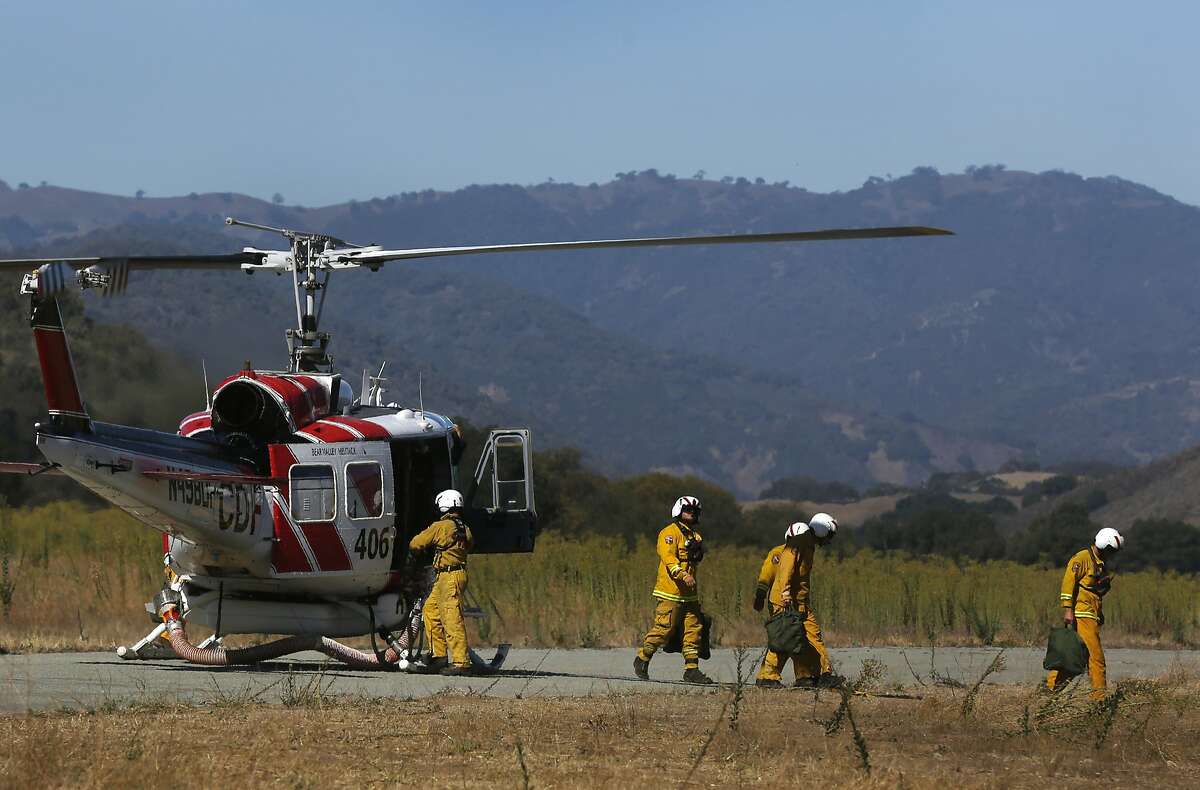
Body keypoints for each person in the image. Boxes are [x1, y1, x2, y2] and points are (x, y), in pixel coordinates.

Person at [633, 495, 713, 684]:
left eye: (694, 511)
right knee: (664, 628)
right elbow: (668, 558)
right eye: (687, 510)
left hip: (690, 595)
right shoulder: (668, 533)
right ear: (678, 511)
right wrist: (682, 574)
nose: (691, 513)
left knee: (694, 630)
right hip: (671, 591)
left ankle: (691, 670)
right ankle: (642, 658)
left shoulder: (696, 536)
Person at [756, 513, 840, 689]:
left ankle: (818, 675)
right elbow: (786, 568)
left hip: (800, 603)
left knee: (812, 637)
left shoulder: (809, 545)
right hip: (785, 601)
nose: (829, 540)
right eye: (829, 534)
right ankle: (767, 677)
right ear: (823, 529)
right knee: (784, 639)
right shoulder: (798, 543)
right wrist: (785, 592)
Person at [1046, 527, 1124, 699]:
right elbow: (1068, 582)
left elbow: (1094, 593)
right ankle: (1099, 700)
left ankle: (1049, 690)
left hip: (1091, 614)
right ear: (1106, 547)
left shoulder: (1101, 562)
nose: (1112, 555)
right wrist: (1068, 609)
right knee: (1096, 659)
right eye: (1112, 551)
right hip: (1082, 614)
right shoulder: (1081, 558)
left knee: (1075, 659)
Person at [408, 489, 475, 676]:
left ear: (443, 504)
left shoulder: (442, 526)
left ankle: (461, 663)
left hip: (449, 577)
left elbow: (416, 543)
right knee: (430, 611)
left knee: (452, 618)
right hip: (453, 575)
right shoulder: (464, 528)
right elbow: (470, 544)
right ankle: (438, 657)